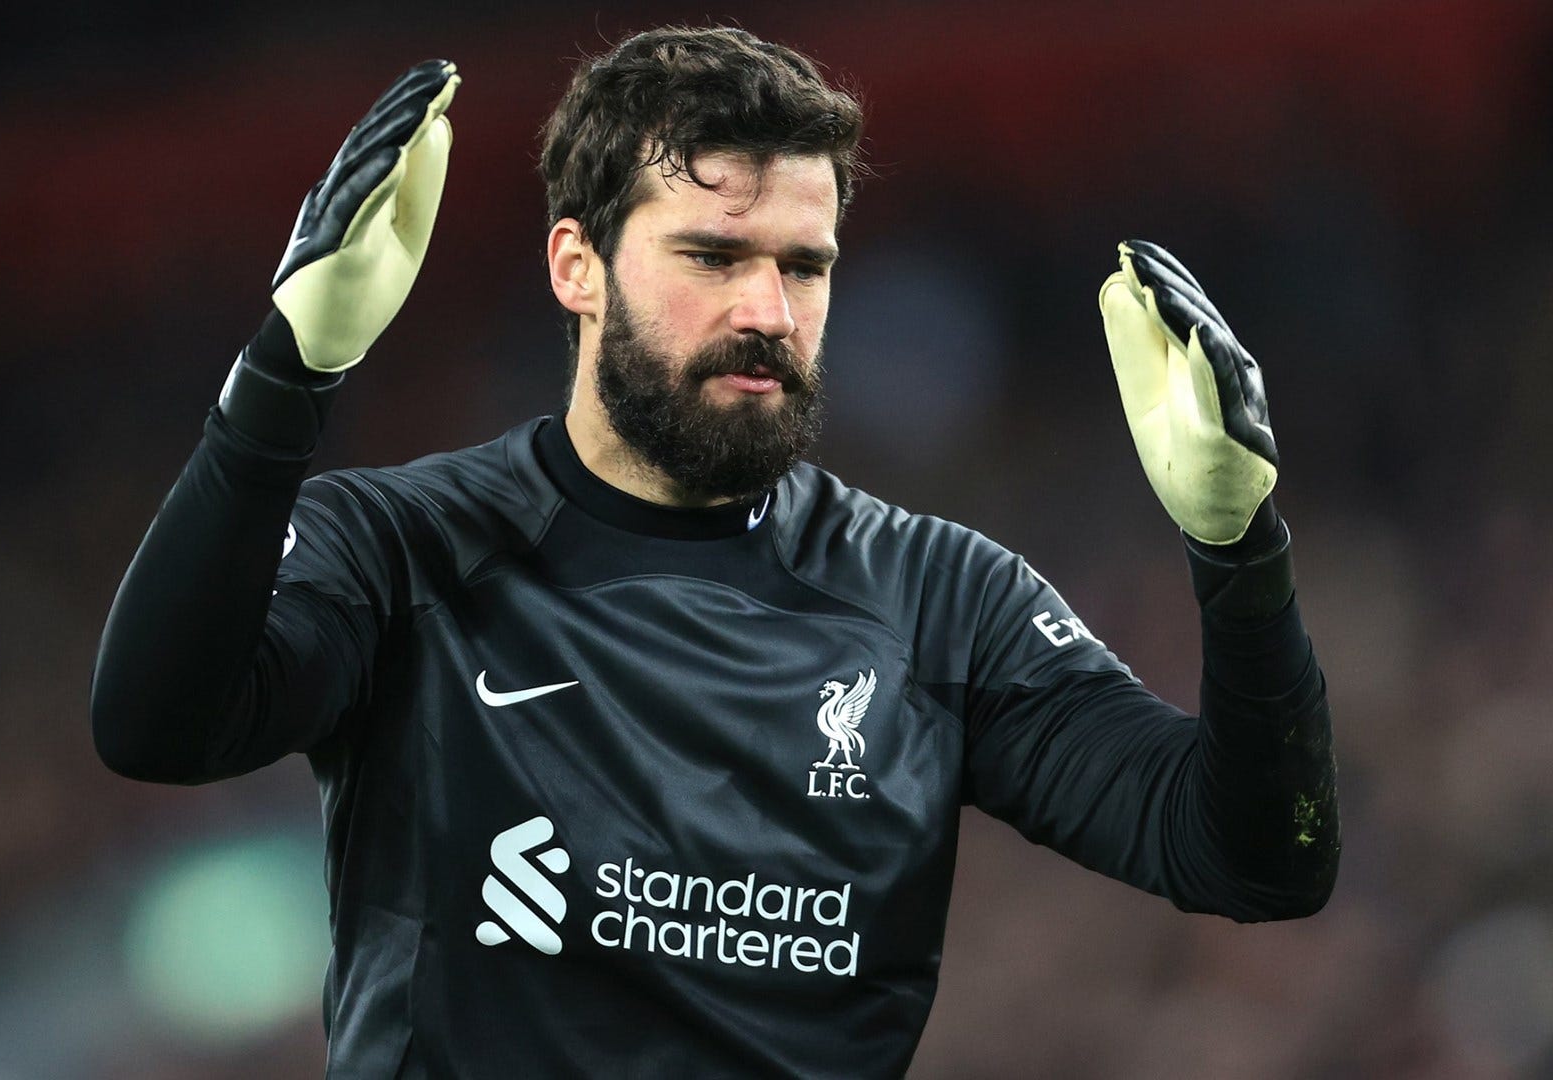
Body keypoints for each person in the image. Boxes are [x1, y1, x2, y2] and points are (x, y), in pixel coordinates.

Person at [91, 25, 1338, 1078]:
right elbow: (157, 726)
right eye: (714, 256)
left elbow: (1261, 858)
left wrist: (1240, 552)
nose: (769, 312)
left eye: (805, 266)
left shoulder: (939, 599)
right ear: (578, 267)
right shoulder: (406, 544)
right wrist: (286, 376)